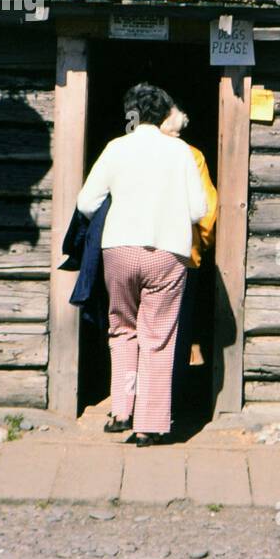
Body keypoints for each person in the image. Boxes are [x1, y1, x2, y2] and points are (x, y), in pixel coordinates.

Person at [76, 83, 208, 446]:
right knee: (158, 337)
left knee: (122, 329)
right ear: (166, 113)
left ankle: (120, 411)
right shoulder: (181, 152)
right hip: (167, 251)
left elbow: (87, 201)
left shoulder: (116, 148)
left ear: (131, 113)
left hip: (119, 248)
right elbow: (199, 210)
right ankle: (148, 425)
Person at [160, 104, 220, 418]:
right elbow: (208, 208)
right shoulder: (191, 155)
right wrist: (202, 246)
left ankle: (132, 403)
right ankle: (170, 402)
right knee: (177, 331)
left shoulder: (131, 151)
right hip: (182, 255)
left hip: (133, 252)